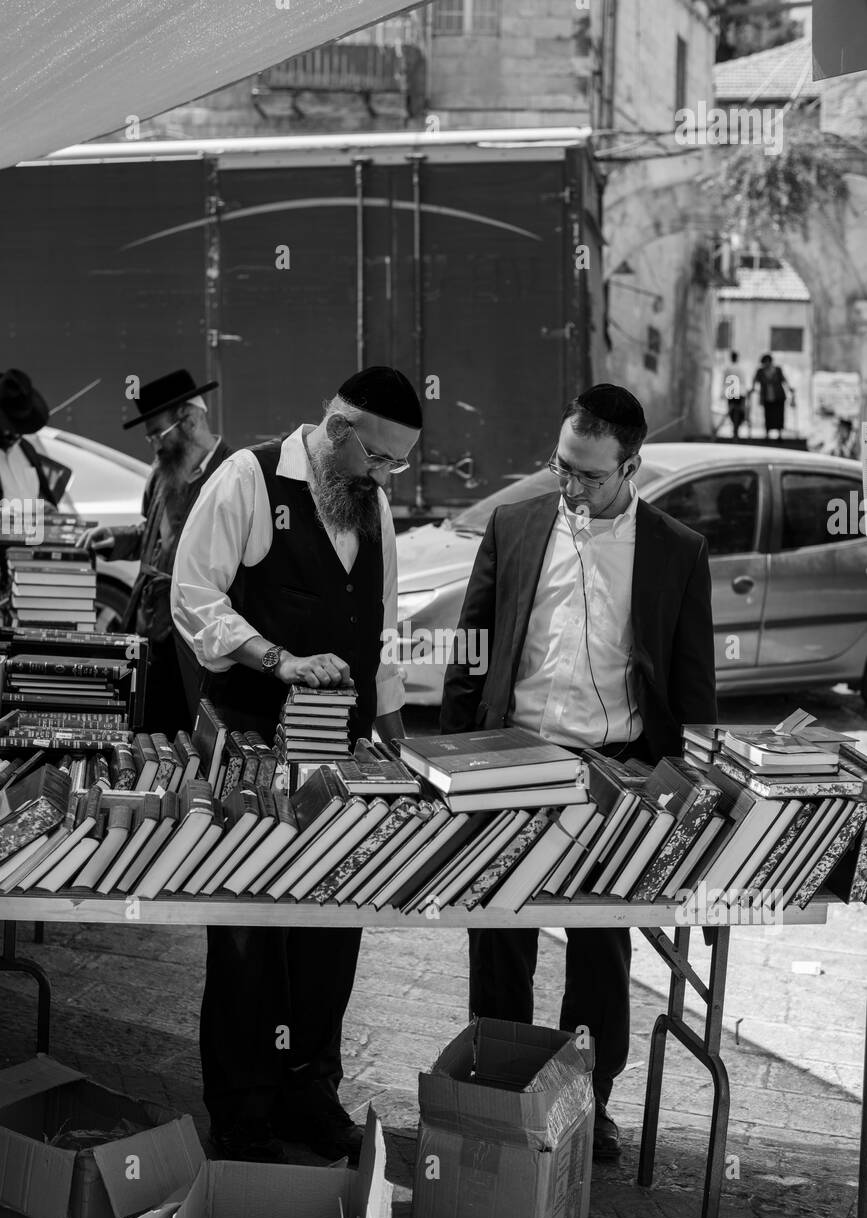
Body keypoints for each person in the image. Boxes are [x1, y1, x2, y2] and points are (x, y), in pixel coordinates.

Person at [440, 383, 717, 1162]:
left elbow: (694, 685)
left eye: (589, 475)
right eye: (561, 466)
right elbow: (470, 651)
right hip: (511, 761)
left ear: (631, 466)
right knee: (500, 938)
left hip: (616, 771)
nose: (569, 486)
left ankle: (582, 1101)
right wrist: (454, 761)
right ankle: (496, 1088)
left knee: (600, 952)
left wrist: (694, 788)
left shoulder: (676, 550)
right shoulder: (515, 522)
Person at [171, 364, 421, 1164]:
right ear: (339, 429)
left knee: (329, 925)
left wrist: (396, 744)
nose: (386, 476)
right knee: (248, 930)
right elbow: (193, 597)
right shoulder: (247, 477)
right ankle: (242, 1105)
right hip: (248, 743)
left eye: (397, 464)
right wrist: (275, 657)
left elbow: (378, 634)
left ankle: (308, 1089)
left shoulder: (372, 507)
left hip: (338, 757)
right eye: (379, 458)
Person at [81, 370, 230, 736]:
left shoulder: (231, 477)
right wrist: (116, 539)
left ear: (191, 420)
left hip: (193, 637)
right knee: (143, 725)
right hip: (146, 627)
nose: (155, 446)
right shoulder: (162, 473)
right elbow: (153, 534)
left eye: (158, 434)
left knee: (184, 731)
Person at [0, 368, 71, 508]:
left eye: (19, 429)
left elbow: (44, 499)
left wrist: (46, 508)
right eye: (9, 427)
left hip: (31, 529)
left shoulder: (27, 450)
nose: (15, 435)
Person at [751, 353, 792, 439]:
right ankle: (767, 434)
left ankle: (779, 434)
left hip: (778, 396)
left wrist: (790, 388)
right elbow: (755, 380)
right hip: (767, 397)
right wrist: (753, 388)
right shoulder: (760, 371)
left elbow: (784, 380)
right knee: (768, 415)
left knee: (779, 415)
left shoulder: (777, 370)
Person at [723, 351, 747, 440]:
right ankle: (736, 429)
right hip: (741, 393)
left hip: (732, 392)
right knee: (739, 411)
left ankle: (735, 429)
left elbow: (725, 381)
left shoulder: (728, 368)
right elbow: (744, 382)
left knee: (732, 412)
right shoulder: (741, 368)